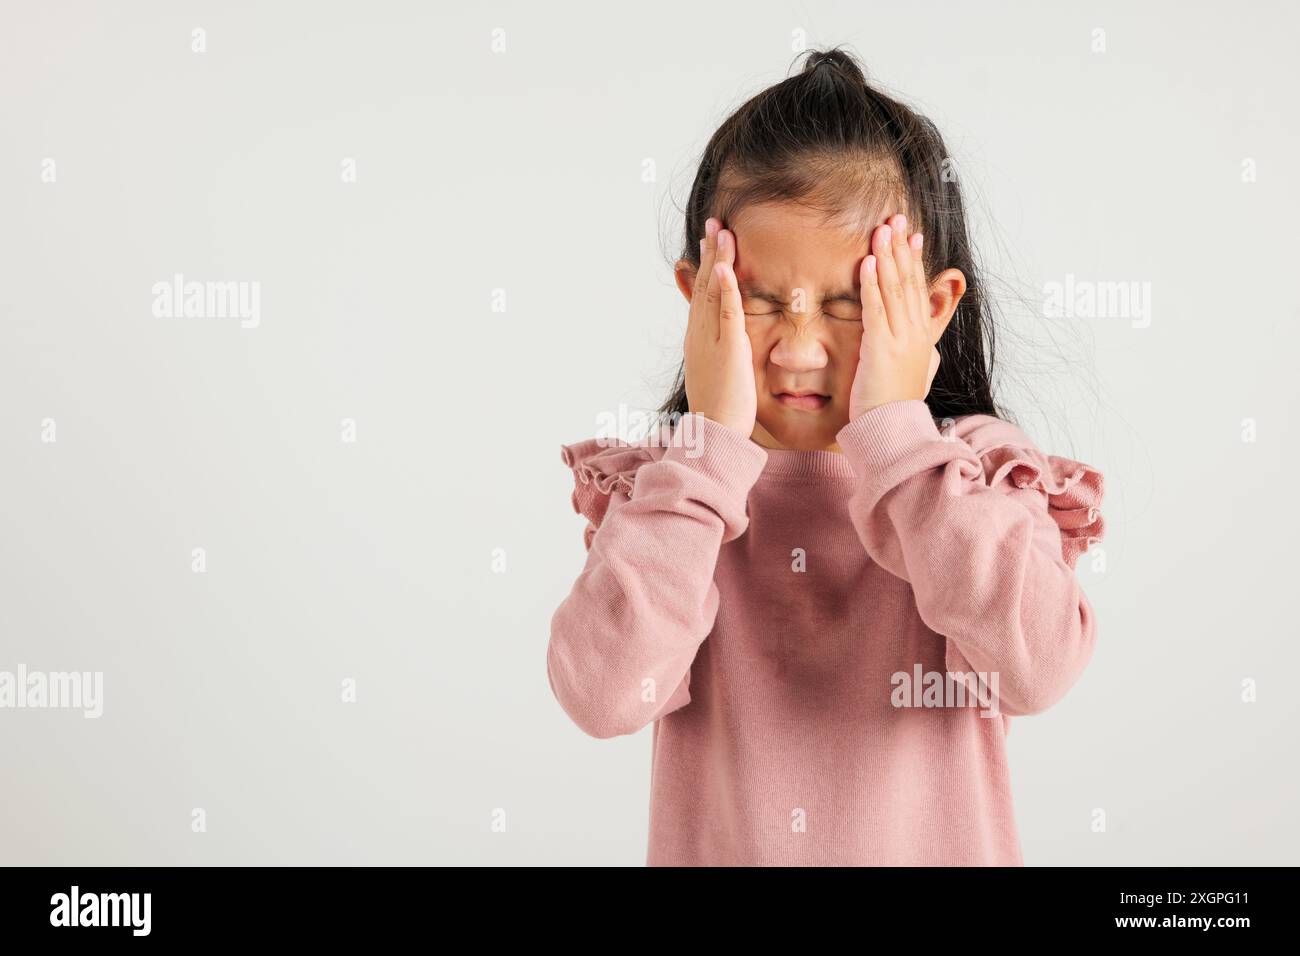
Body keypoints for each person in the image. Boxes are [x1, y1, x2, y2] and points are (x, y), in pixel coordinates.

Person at [547, 46, 1106, 866]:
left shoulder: (973, 480)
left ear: (934, 306)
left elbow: (1036, 671)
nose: (800, 350)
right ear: (699, 298)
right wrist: (708, 455)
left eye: (850, 306)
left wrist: (898, 439)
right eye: (762, 301)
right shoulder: (673, 497)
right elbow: (600, 696)